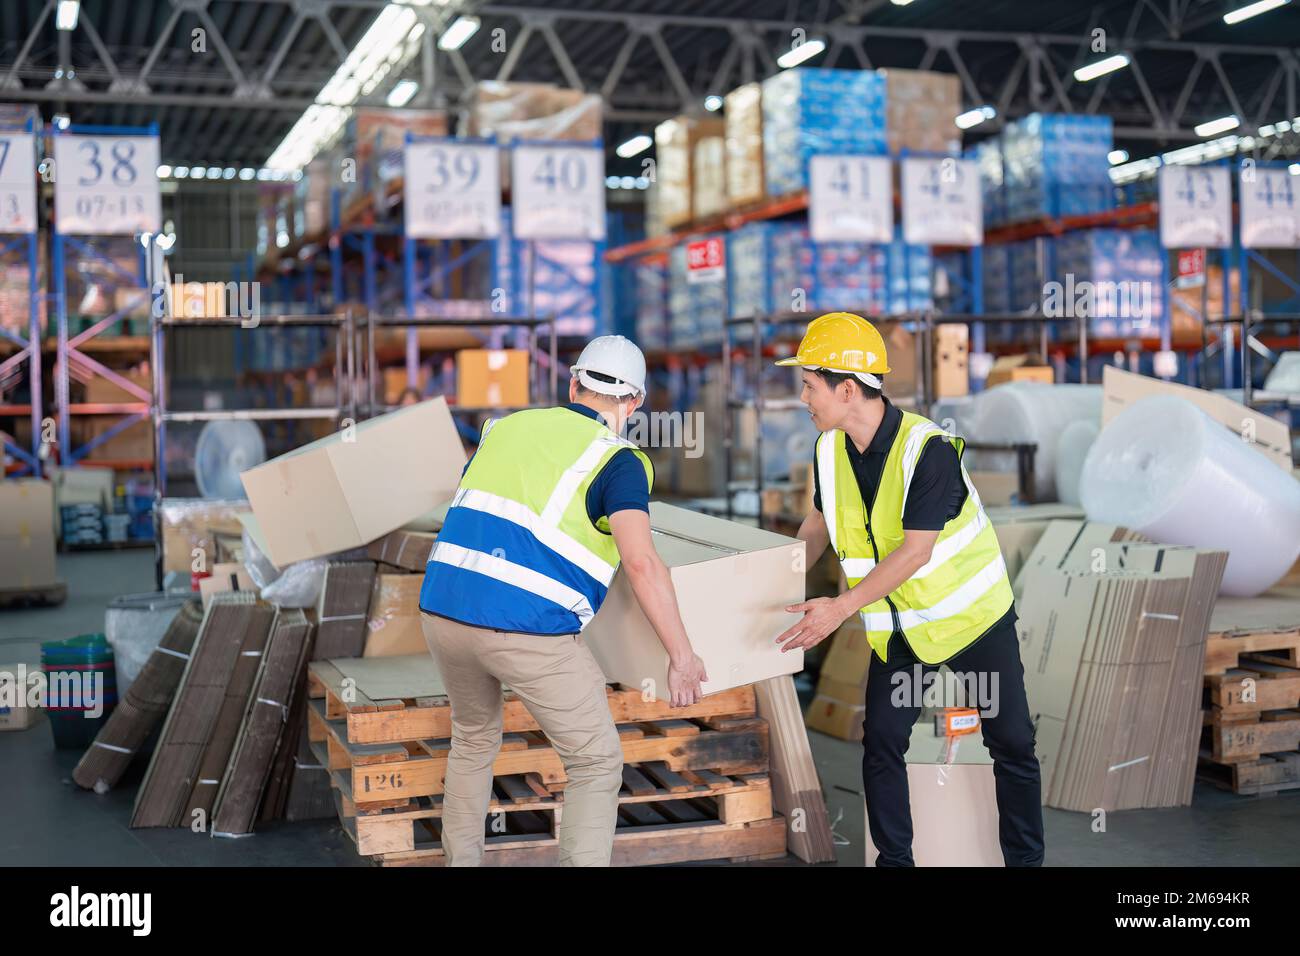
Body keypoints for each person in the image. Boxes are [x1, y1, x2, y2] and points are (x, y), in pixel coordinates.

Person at [418, 334, 708, 866]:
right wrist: (682, 656)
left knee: (474, 738)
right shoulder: (619, 462)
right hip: (521, 627)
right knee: (596, 762)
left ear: (572, 385)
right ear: (635, 403)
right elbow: (641, 562)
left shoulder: (503, 429)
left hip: (441, 610)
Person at [772, 312, 1045, 867]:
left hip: (972, 623)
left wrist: (839, 609)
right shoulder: (828, 451)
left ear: (846, 388)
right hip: (902, 630)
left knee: (1012, 744)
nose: (803, 397)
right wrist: (770, 579)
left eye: (808, 384)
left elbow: (916, 551)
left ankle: (1025, 863)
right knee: (881, 745)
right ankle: (894, 862)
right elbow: (818, 526)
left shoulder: (929, 451)